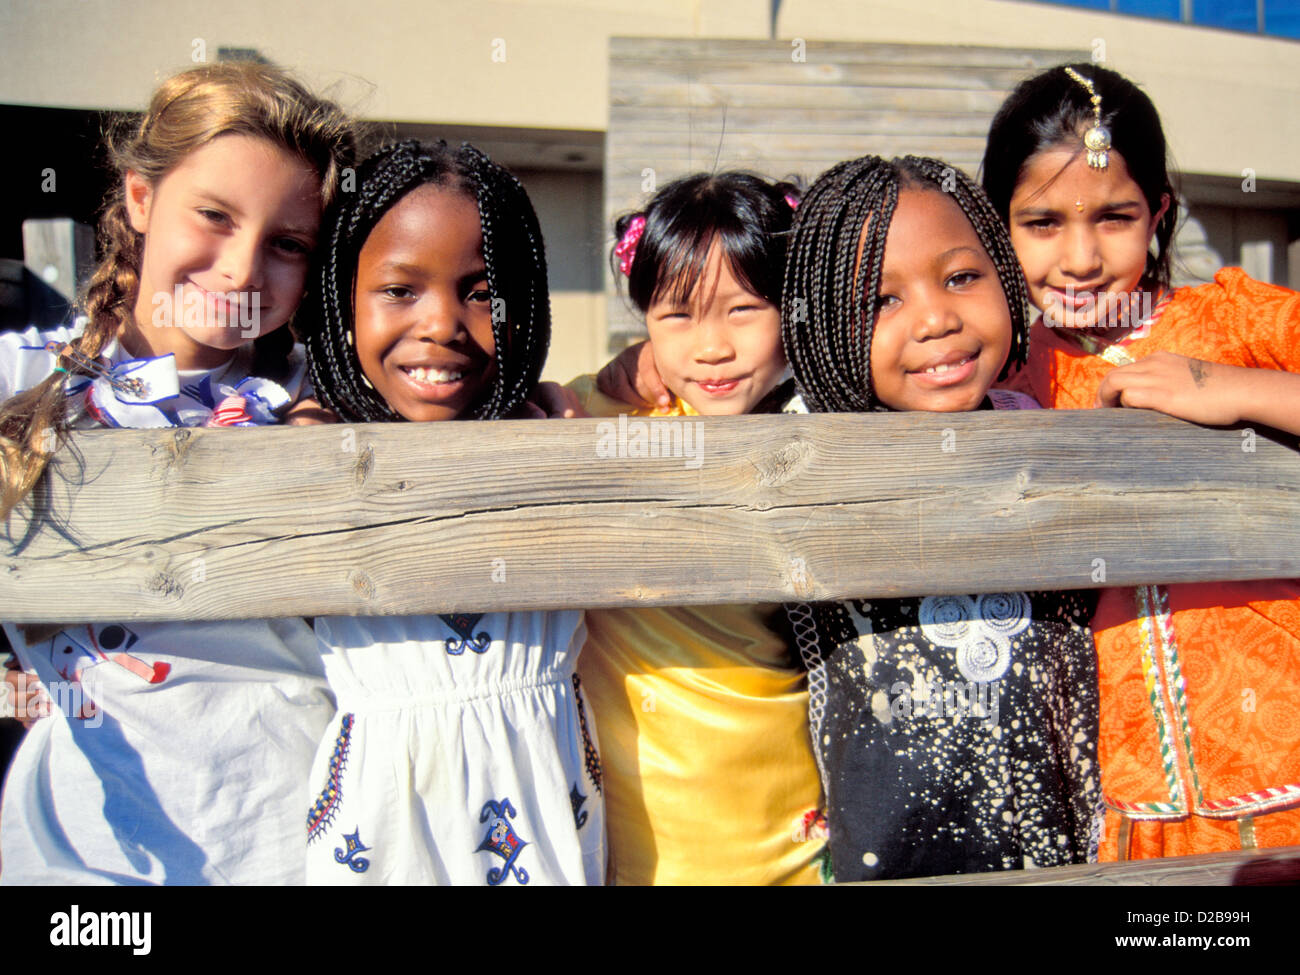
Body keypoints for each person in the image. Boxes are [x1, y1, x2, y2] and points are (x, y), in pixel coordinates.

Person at [0, 62, 355, 884]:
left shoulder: (323, 397)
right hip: (85, 858)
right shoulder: (24, 385)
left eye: (286, 244)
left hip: (297, 846)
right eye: (214, 216)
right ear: (139, 198)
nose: (239, 270)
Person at [982, 62, 1300, 860]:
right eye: (1043, 222)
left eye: (1115, 217)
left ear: (1158, 211)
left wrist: (1234, 386)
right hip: (1129, 790)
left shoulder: (1231, 320)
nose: (1081, 257)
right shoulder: (1012, 375)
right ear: (998, 227)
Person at [780, 155, 1101, 881]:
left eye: (961, 277)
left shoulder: (1049, 438)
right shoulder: (804, 453)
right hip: (888, 864)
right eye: (880, 300)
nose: (936, 318)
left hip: (1065, 862)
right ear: (825, 323)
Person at [296, 140, 603, 885]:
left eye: (479, 291)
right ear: (344, 301)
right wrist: (306, 429)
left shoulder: (549, 443)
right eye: (399, 290)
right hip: (381, 823)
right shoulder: (312, 452)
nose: (441, 323)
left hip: (543, 800)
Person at [572, 172, 826, 884]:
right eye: (676, 315)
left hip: (785, 792)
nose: (711, 346)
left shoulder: (833, 431)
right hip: (643, 812)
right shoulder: (599, 419)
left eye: (744, 308)